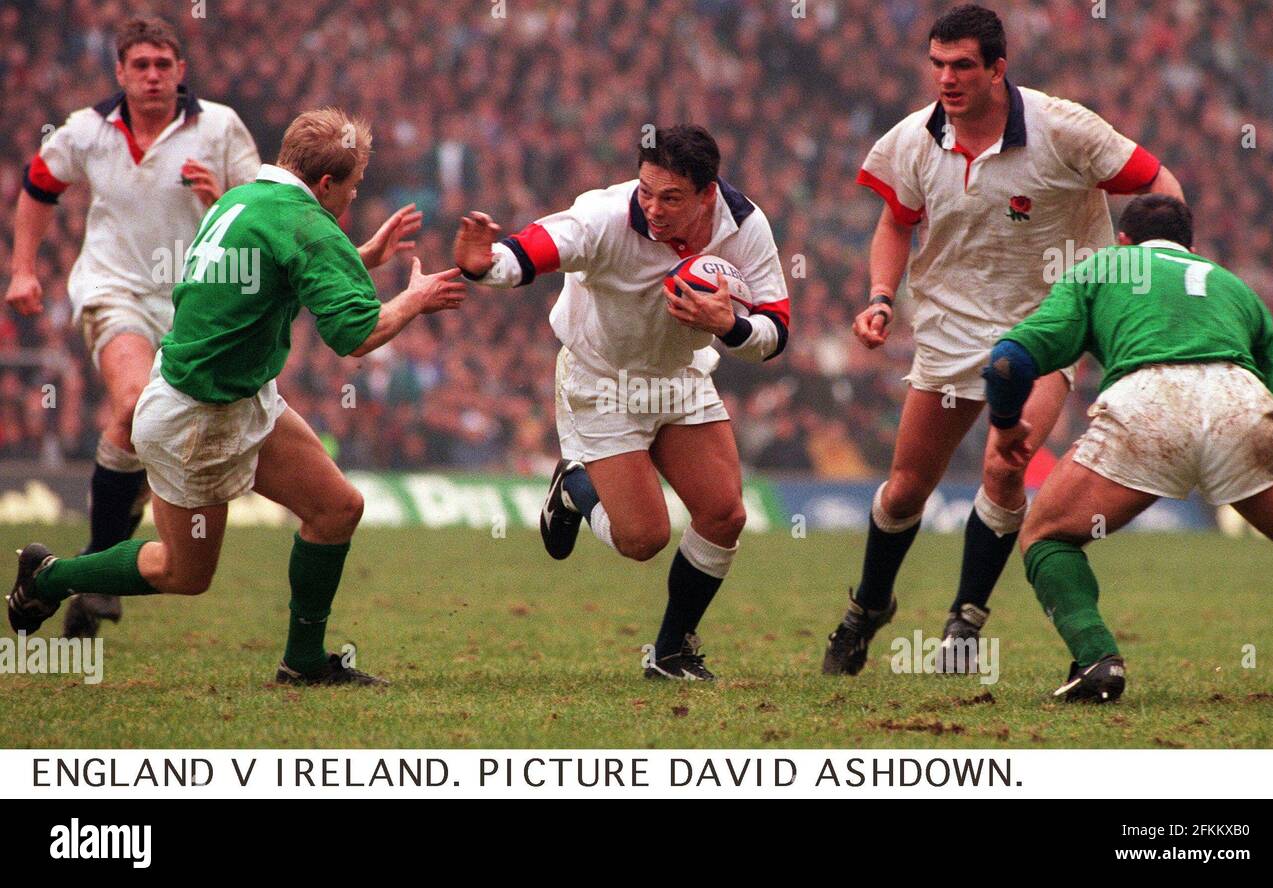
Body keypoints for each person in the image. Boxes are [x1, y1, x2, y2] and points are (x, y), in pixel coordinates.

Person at [8, 108, 467, 686]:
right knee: (184, 571)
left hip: (240, 398)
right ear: (325, 185)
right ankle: (49, 578)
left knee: (337, 508)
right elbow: (355, 335)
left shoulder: (244, 199)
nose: (353, 197)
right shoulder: (305, 225)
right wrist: (415, 299)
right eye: (352, 187)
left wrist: (360, 257)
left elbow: (280, 266)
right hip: (196, 418)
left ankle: (301, 662)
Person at [822, 4, 1186, 676]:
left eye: (963, 65)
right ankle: (869, 608)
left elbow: (1158, 184)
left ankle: (966, 619)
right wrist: (879, 298)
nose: (947, 79)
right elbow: (896, 222)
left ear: (997, 69)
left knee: (1004, 464)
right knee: (905, 490)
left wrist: (1153, 266)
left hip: (1047, 329)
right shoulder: (911, 139)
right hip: (948, 330)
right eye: (938, 65)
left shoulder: (1064, 129)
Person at [453, 124, 790, 680]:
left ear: (708, 194)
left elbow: (777, 331)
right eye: (647, 191)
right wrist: (485, 264)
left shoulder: (745, 224)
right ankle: (574, 488)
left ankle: (671, 653)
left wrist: (730, 327)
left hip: (680, 376)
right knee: (643, 539)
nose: (653, 208)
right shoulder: (606, 216)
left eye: (672, 198)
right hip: (601, 380)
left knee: (724, 515)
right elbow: (537, 247)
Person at [984, 194, 1273, 702]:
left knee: (1046, 536)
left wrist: (1005, 423)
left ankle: (1097, 660)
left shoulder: (1104, 265)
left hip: (1149, 403)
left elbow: (1007, 362)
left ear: (1125, 239)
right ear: (1189, 247)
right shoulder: (1234, 286)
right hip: (1240, 401)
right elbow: (1271, 397)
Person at [5, 16, 261, 639]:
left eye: (163, 65)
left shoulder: (221, 127)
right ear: (120, 72)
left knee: (143, 428)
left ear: (181, 71)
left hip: (195, 302)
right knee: (134, 403)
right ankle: (94, 576)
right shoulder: (87, 131)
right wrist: (22, 269)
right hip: (112, 291)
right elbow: (40, 187)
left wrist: (218, 196)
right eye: (140, 65)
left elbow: (260, 214)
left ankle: (77, 575)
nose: (152, 76)